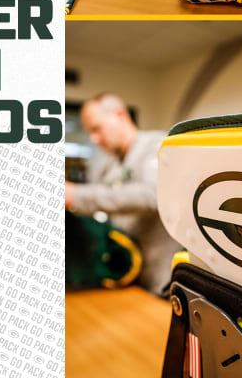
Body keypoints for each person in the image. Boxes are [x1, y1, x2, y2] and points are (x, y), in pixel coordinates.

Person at [66, 92, 181, 294]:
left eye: (97, 128)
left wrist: (77, 195)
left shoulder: (159, 145)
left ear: (120, 115)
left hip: (162, 280)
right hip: (126, 277)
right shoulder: (108, 164)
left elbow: (152, 195)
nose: (94, 138)